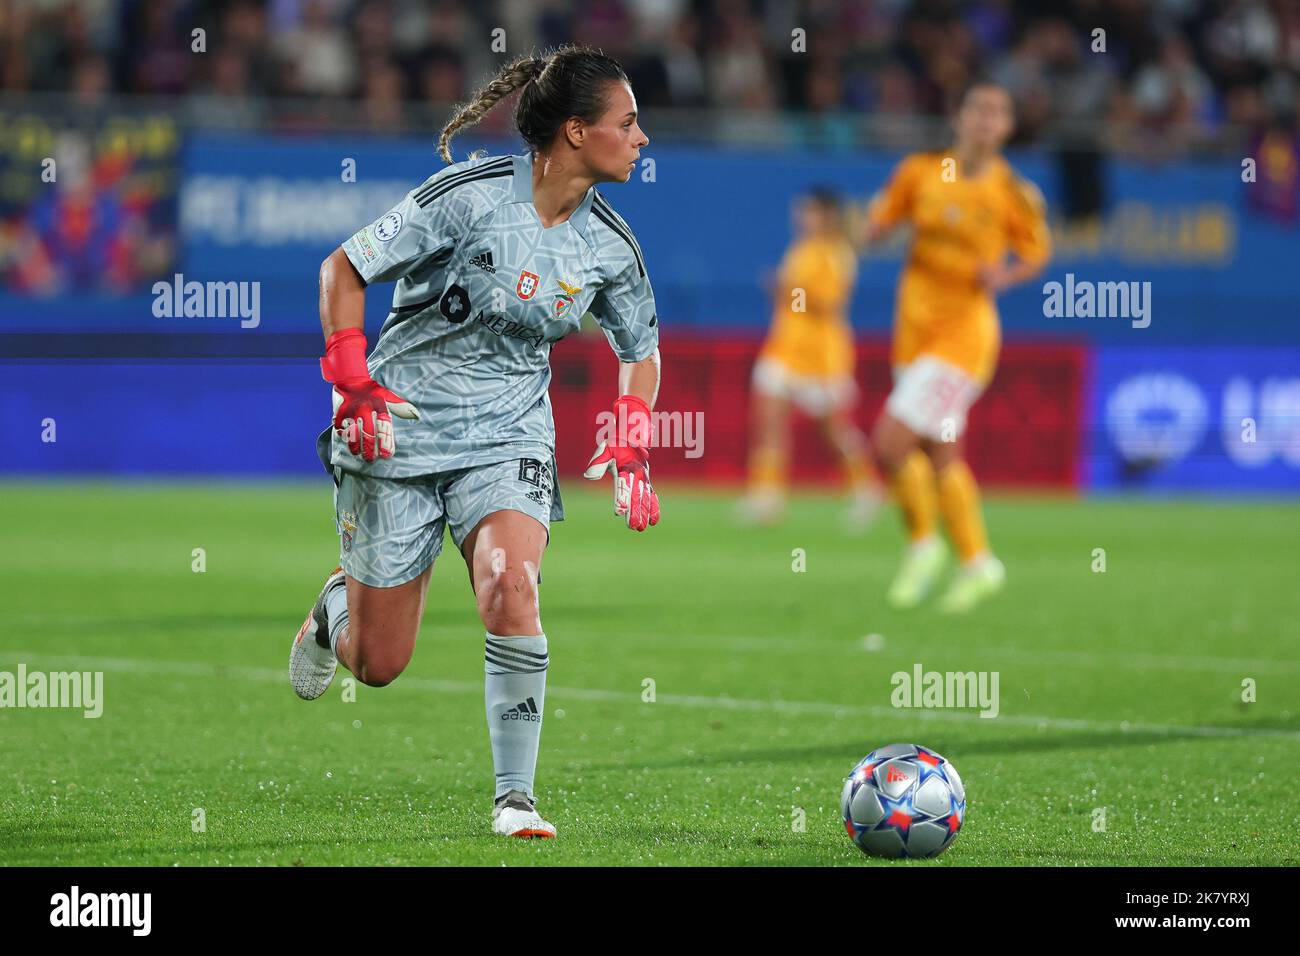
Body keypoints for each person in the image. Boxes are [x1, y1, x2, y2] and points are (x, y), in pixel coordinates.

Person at [288, 46, 661, 839]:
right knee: (380, 665)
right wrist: (352, 383)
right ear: (574, 131)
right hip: (401, 427)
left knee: (510, 585)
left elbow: (640, 350)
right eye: (627, 122)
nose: (642, 138)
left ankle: (515, 798)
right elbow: (343, 270)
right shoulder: (467, 199)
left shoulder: (610, 246)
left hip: (509, 434)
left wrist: (630, 437)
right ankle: (334, 615)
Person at [856, 82, 1051, 612]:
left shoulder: (1013, 192)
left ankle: (923, 545)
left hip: (965, 339)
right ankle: (979, 563)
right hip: (914, 333)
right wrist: (870, 231)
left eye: (998, 112)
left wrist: (1006, 275)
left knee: (890, 443)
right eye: (978, 109)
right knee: (941, 455)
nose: (987, 120)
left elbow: (1037, 251)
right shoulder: (920, 172)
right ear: (957, 116)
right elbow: (880, 218)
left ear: (1008, 128)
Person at [739, 186, 883, 528]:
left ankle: (867, 489)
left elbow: (830, 305)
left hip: (822, 357)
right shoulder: (801, 250)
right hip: (784, 348)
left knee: (833, 433)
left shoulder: (836, 255)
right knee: (768, 422)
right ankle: (766, 499)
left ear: (828, 215)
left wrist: (787, 291)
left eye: (810, 211)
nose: (802, 218)